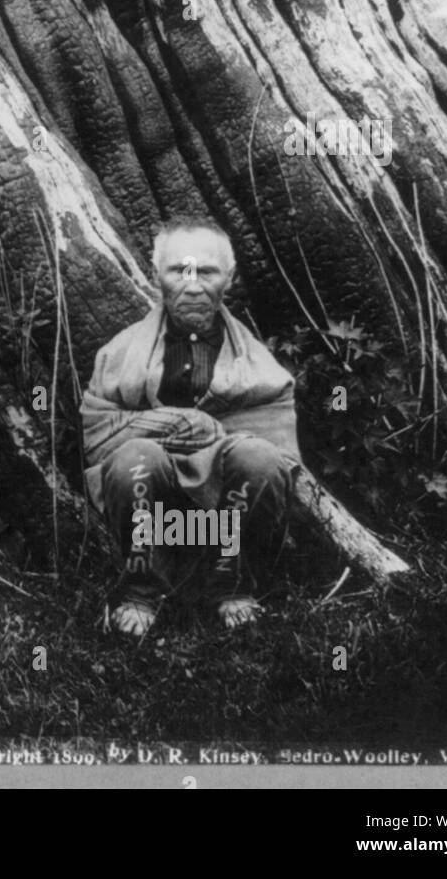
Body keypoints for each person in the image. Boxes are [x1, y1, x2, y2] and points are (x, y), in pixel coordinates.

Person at [80, 216, 300, 638]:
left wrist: (210, 436)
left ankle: (231, 581)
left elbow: (277, 445)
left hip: (228, 499)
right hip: (153, 494)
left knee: (260, 458)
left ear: (230, 278)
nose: (194, 285)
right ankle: (142, 589)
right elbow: (99, 431)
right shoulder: (119, 354)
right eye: (180, 270)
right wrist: (174, 424)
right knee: (134, 459)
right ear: (156, 275)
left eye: (208, 272)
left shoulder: (256, 364)